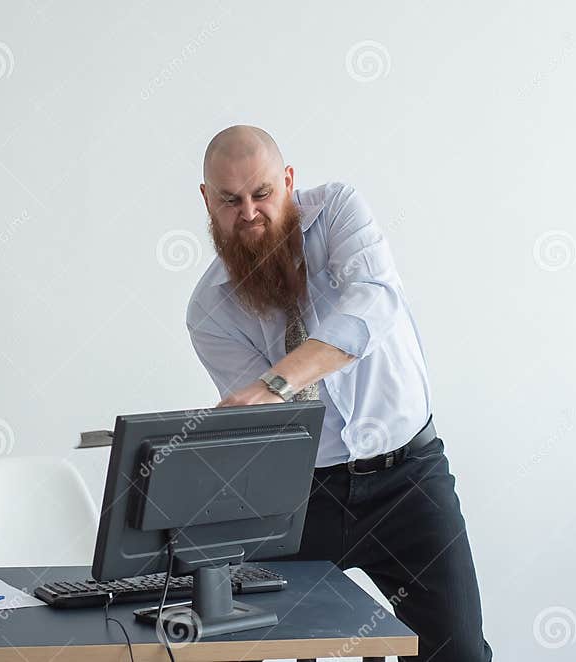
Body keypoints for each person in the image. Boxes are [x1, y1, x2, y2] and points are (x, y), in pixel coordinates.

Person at [186, 125, 493, 661]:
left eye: (262, 194)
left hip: (410, 480)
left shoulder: (340, 211)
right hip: (307, 498)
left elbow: (372, 304)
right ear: (207, 200)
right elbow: (279, 430)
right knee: (292, 646)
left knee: (458, 652)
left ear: (288, 181)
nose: (250, 214)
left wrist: (272, 384)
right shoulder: (209, 312)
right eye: (230, 201)